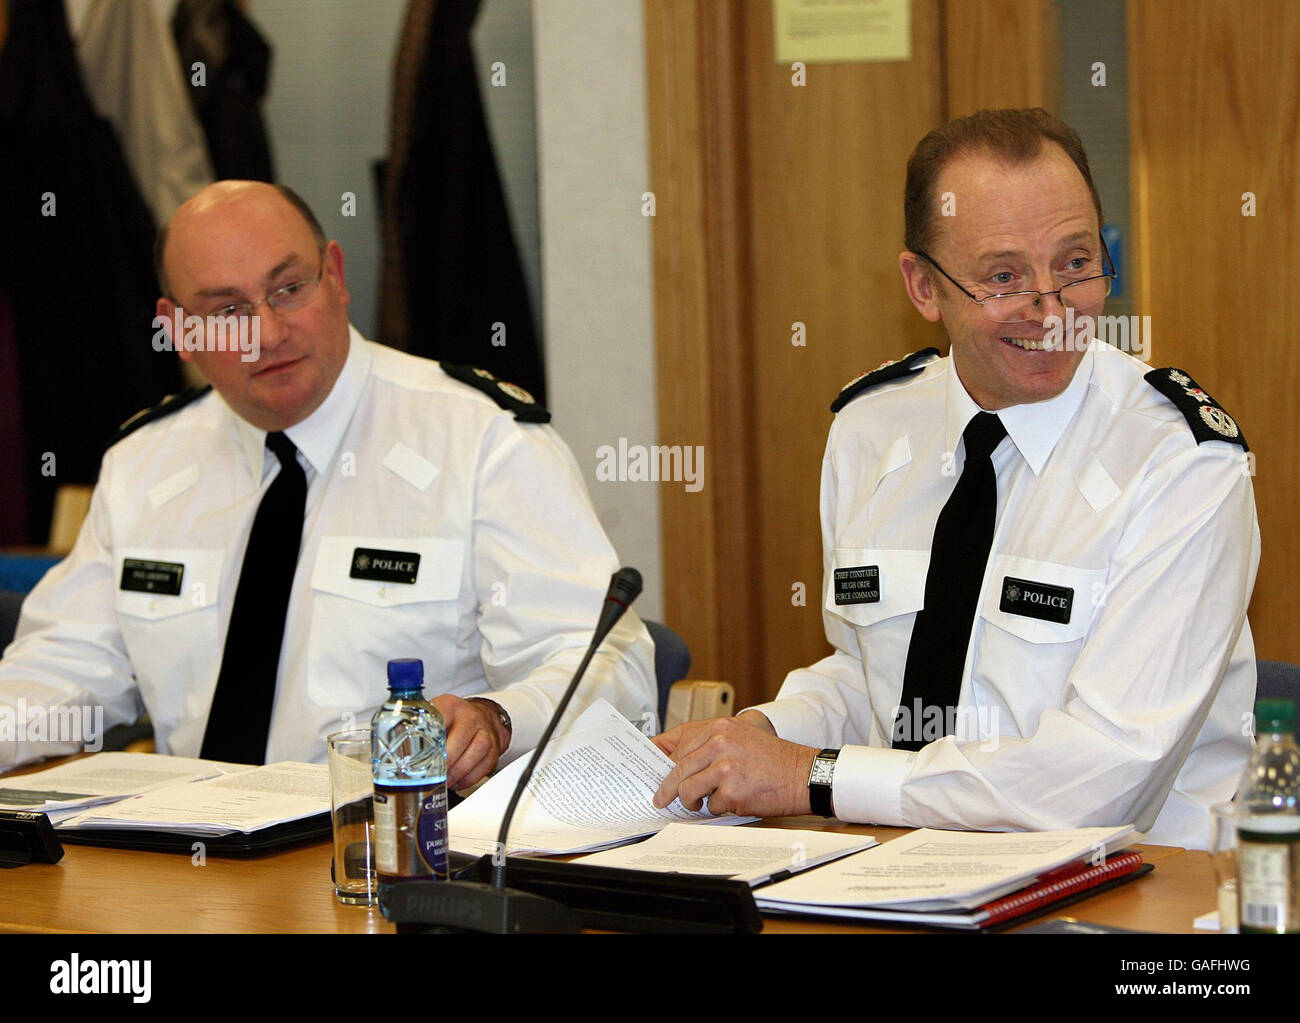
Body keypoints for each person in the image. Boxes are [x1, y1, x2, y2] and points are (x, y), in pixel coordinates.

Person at [653, 108, 1258, 849]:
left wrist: (814, 775)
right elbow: (867, 672)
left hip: (1132, 895)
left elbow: (1104, 774)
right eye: (1003, 276)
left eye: (1074, 263)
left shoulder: (1179, 462)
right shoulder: (871, 431)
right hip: (901, 875)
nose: (1051, 308)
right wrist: (756, 734)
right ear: (923, 287)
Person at [0, 181, 656, 788]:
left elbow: (607, 663)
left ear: (335, 276)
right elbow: (61, 671)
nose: (269, 332)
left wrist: (498, 717)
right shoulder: (144, 464)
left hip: (401, 852)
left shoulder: (481, 438)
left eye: (289, 288)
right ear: (180, 332)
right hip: (194, 862)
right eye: (227, 310)